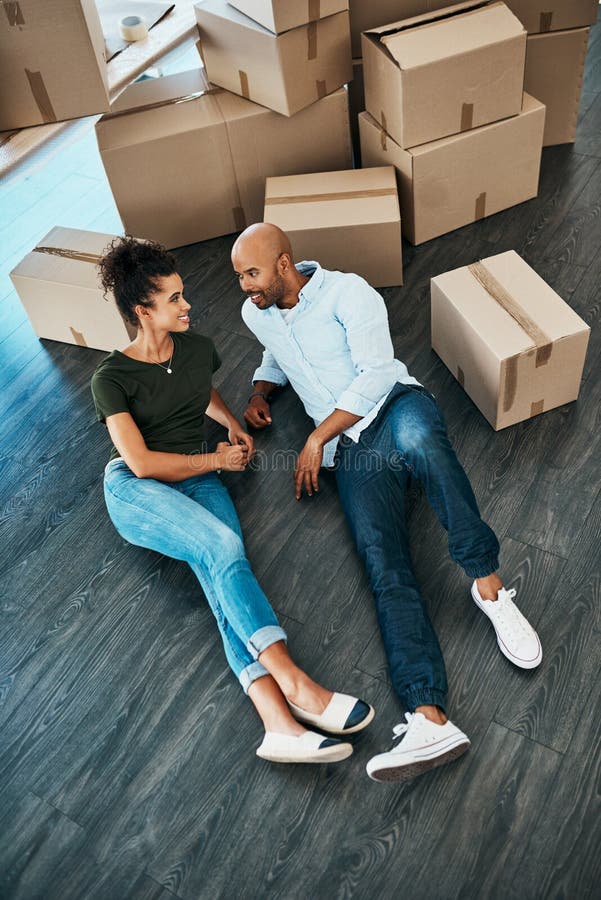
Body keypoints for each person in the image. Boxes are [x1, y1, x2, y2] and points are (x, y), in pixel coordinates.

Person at [232, 223, 542, 783]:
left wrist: (314, 437)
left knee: (423, 442)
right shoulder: (259, 311)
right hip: (352, 452)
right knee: (384, 566)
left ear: (283, 264)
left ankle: (488, 586)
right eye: (238, 277)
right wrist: (260, 392)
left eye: (251, 273)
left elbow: (377, 374)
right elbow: (276, 349)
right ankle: (430, 717)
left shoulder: (350, 293)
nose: (243, 286)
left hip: (393, 409)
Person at [90, 236, 375, 766]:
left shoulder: (195, 347)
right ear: (141, 311)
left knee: (223, 574)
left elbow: (201, 389)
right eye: (173, 299)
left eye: (182, 294)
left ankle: (279, 727)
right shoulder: (112, 378)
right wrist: (216, 462)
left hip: (198, 480)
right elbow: (143, 464)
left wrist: (230, 425)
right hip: (138, 491)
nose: (186, 305)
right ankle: (296, 683)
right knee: (222, 547)